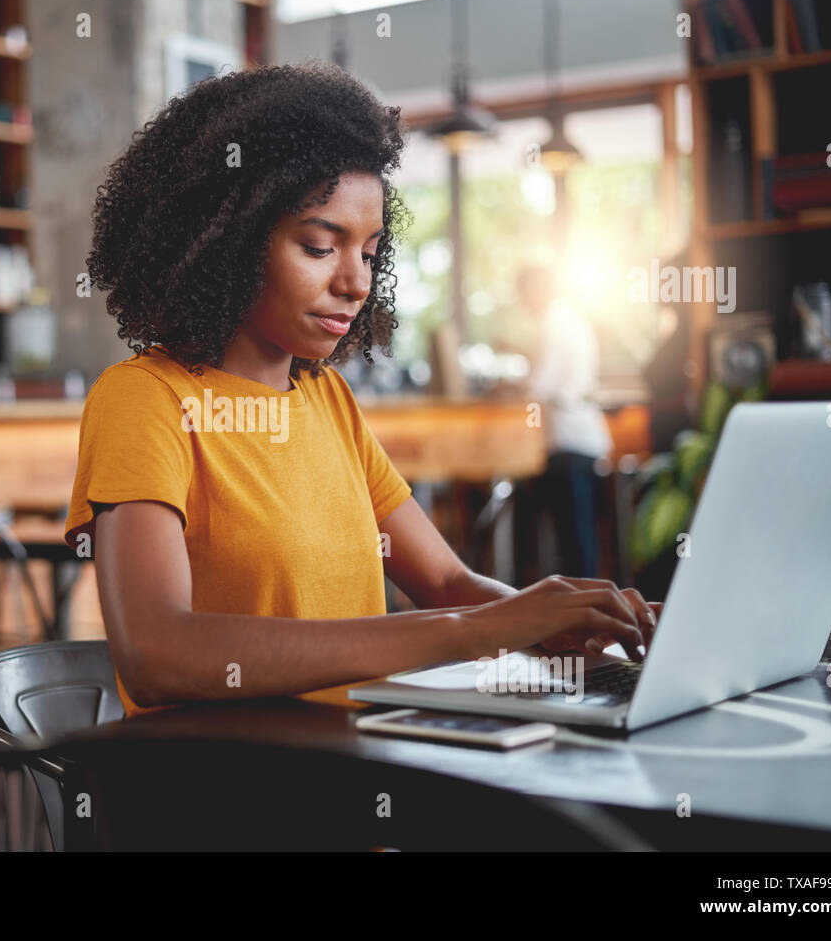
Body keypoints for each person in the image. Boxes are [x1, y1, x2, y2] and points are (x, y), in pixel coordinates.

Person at [65, 62, 657, 715]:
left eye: (371, 253)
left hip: (357, 769)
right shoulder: (146, 401)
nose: (356, 283)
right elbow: (158, 652)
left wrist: (560, 620)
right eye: (321, 247)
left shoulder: (328, 401)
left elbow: (447, 582)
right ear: (225, 243)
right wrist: (476, 633)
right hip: (226, 791)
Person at [517, 264, 613, 579]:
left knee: (575, 538)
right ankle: (582, 609)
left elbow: (541, 384)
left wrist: (513, 386)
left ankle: (585, 613)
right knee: (577, 536)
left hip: (570, 440)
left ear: (536, 289)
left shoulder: (554, 322)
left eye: (524, 293)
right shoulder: (569, 319)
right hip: (580, 437)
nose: (523, 302)